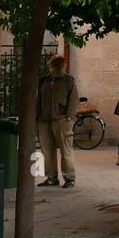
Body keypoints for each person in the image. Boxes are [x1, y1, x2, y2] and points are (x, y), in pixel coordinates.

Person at [36, 55, 78, 187]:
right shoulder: (44, 80)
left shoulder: (69, 80)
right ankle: (51, 177)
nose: (59, 68)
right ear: (51, 67)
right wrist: (37, 117)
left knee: (66, 150)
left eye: (61, 65)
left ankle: (69, 178)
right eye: (57, 65)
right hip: (44, 120)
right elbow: (39, 99)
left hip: (61, 120)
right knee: (47, 150)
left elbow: (73, 100)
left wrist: (69, 117)